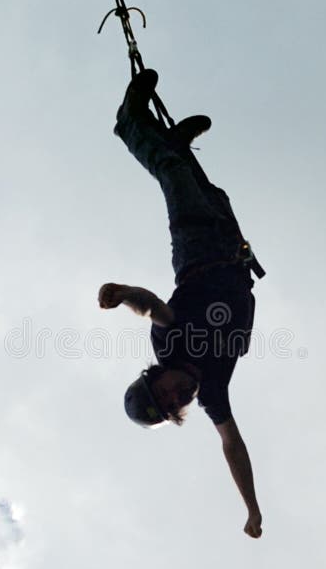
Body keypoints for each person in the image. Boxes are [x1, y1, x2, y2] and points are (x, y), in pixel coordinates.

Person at [98, 69, 264, 539]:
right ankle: (173, 141)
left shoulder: (170, 344)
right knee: (206, 187)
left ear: (156, 375)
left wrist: (125, 293)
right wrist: (252, 508)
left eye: (164, 392)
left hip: (197, 249)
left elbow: (155, 307)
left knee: (172, 174)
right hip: (233, 249)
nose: (178, 397)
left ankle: (130, 123)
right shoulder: (211, 388)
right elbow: (232, 444)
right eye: (173, 407)